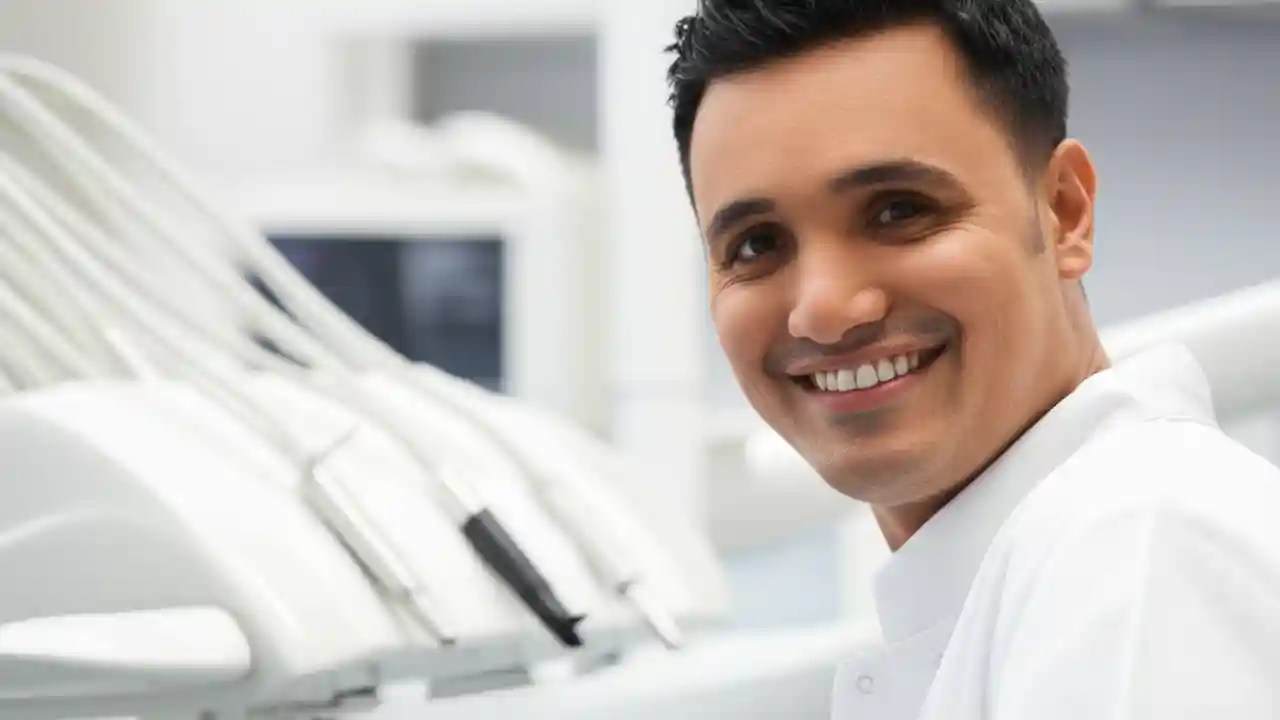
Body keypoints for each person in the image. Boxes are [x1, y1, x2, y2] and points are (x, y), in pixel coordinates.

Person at [666, 1, 1280, 718]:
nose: (824, 311)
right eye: (757, 245)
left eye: (898, 210)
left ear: (1064, 210)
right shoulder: (1040, 569)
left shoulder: (1139, 546)